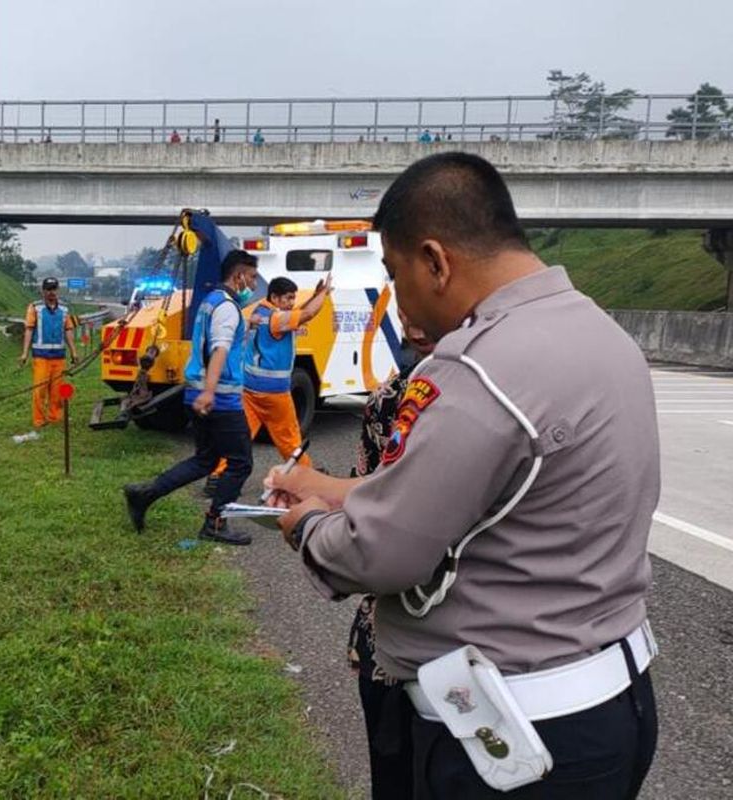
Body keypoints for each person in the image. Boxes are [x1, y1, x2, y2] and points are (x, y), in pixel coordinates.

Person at [267, 152, 659, 799]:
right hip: (613, 703)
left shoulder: (478, 368)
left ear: (436, 261)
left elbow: (377, 554)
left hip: (516, 736)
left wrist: (306, 524)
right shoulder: (601, 336)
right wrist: (331, 488)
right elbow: (481, 494)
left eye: (394, 274)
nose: (397, 298)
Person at [345, 310, 436, 800]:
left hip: (391, 634)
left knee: (394, 775)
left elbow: (361, 505)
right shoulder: (492, 397)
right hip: (463, 651)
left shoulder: (389, 398)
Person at [123, 250, 261, 546]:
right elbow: (220, 350)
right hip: (219, 398)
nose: (252, 284)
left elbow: (216, 341)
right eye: (251, 277)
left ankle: (144, 494)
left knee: (206, 459)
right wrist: (210, 391)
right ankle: (215, 523)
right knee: (240, 463)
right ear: (238, 276)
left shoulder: (210, 302)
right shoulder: (227, 308)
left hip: (195, 393)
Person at [203, 276, 327, 494]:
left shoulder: (260, 311)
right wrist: (325, 294)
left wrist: (315, 296)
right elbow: (306, 315)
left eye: (293, 299)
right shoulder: (276, 320)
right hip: (274, 393)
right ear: (275, 297)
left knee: (240, 437)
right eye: (288, 298)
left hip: (250, 389)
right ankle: (308, 476)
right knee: (289, 438)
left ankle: (217, 476)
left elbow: (295, 312)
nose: (291, 302)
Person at [19, 277, 78, 428]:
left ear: (58, 290)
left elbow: (69, 330)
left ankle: (55, 416)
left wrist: (74, 352)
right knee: (40, 390)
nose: (51, 292)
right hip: (41, 357)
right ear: (43, 291)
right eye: (48, 289)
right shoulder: (35, 307)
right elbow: (29, 330)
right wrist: (25, 353)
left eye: (54, 289)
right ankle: (39, 420)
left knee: (57, 390)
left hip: (59, 357)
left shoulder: (64, 309)